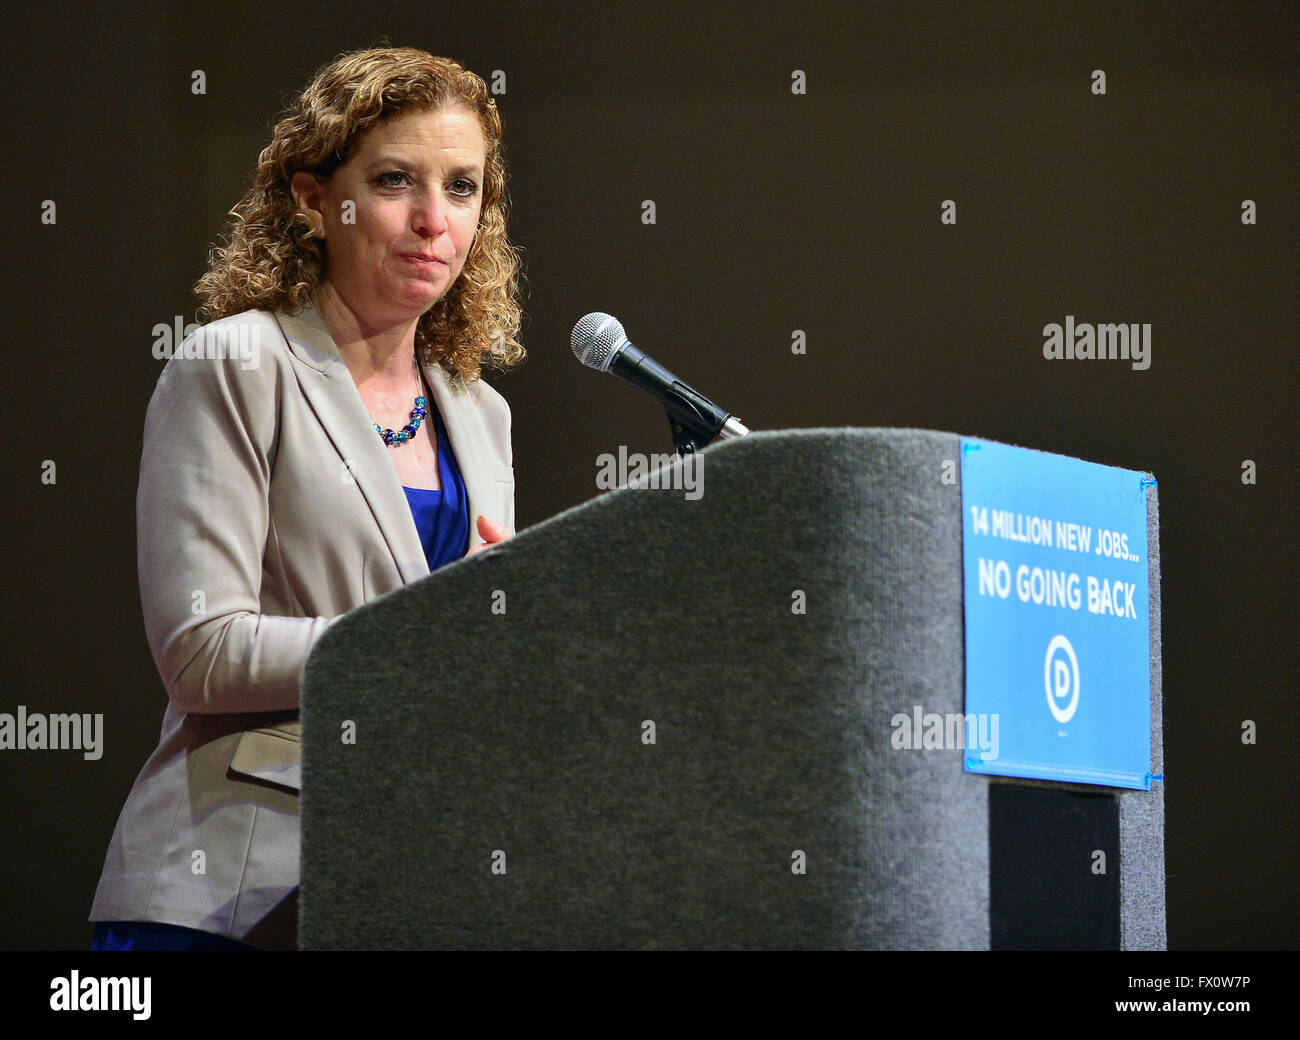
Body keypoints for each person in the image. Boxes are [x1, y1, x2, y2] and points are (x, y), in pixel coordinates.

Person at [89, 46, 525, 950]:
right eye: (397, 180)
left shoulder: (482, 413)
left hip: (406, 888)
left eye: (462, 187)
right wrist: (431, 635)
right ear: (312, 197)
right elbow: (201, 652)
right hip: (231, 891)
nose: (433, 221)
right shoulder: (234, 366)